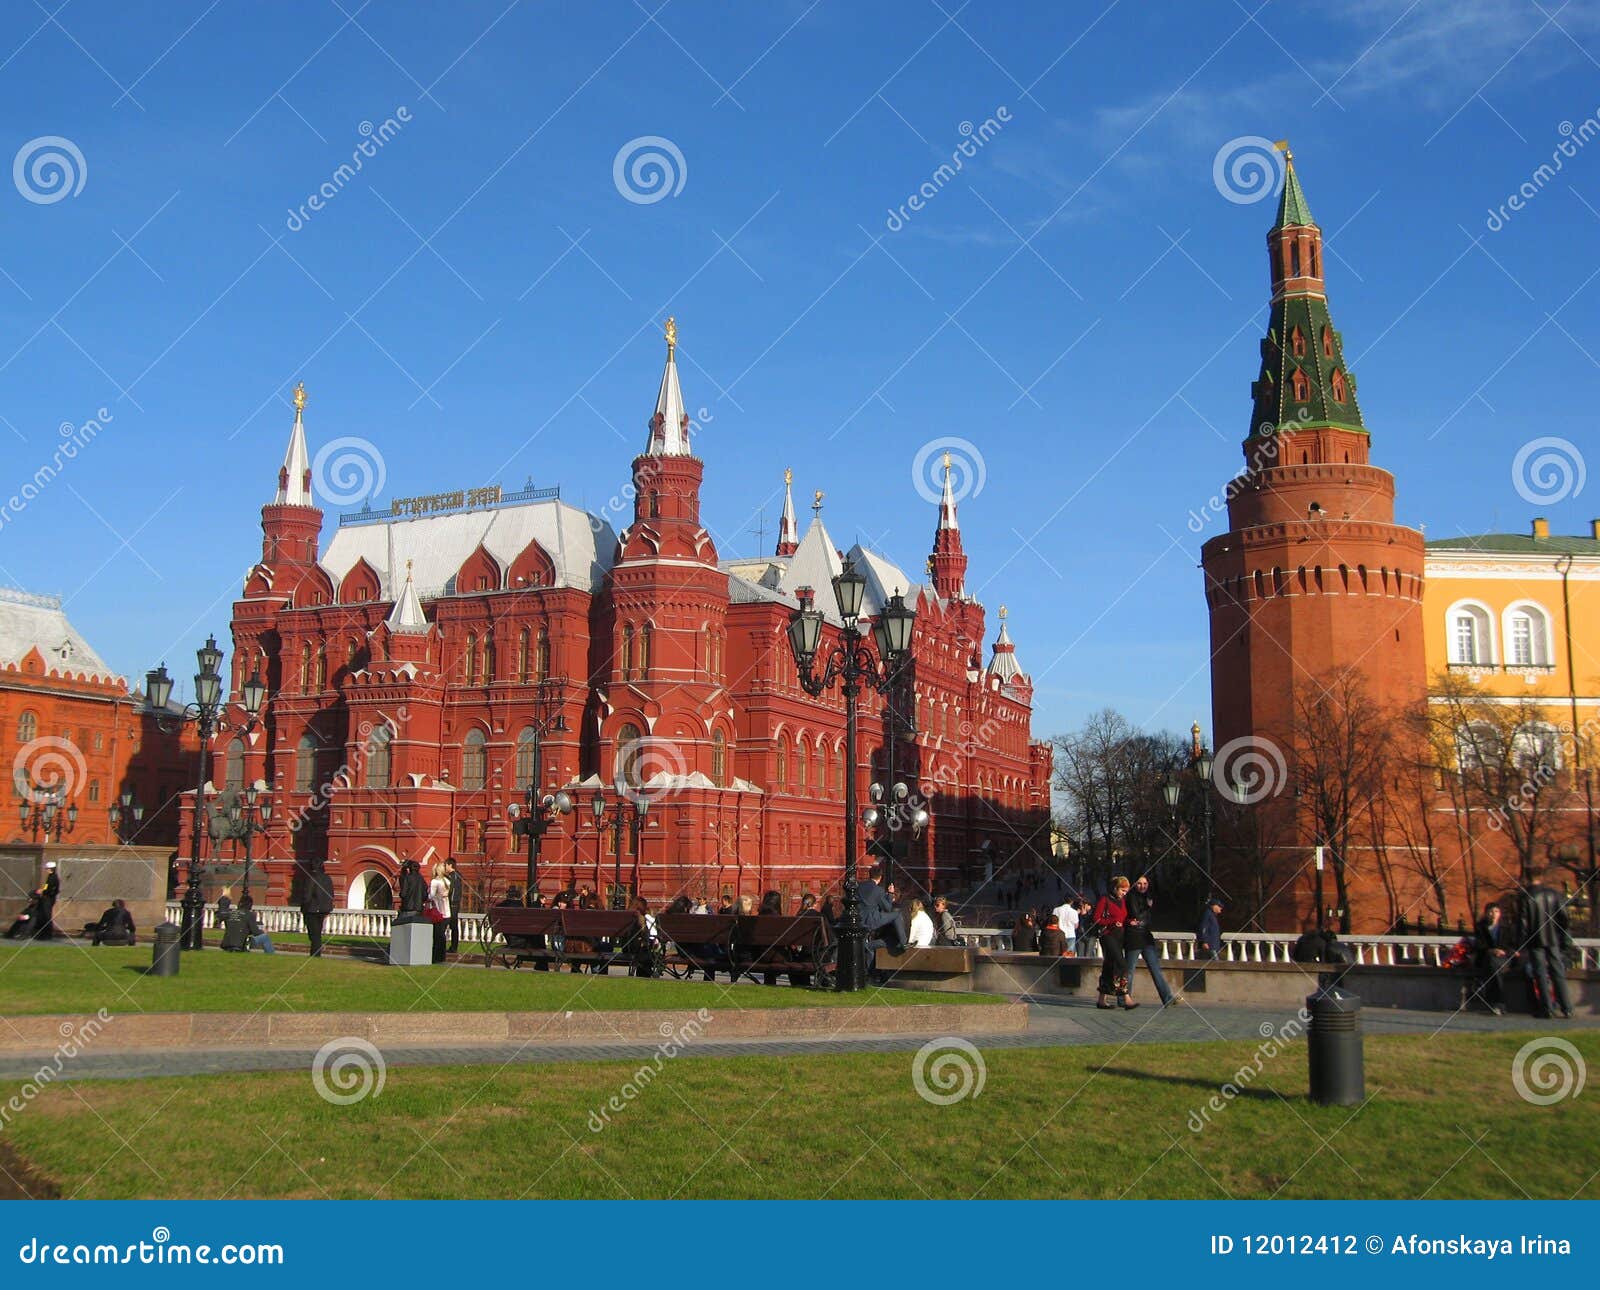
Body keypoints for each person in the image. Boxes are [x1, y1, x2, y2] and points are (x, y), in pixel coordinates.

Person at [1518, 882, 1574, 1019]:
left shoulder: (1526, 897)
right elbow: (1564, 917)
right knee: (1558, 972)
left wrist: (1521, 943)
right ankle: (1567, 1008)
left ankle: (1547, 1008)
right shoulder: (1554, 894)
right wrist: (1560, 933)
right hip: (1553, 939)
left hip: (1535, 940)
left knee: (1540, 974)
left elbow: (1523, 922)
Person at [1123, 874, 1177, 1005]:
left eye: (1145, 884)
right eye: (1140, 883)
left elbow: (1149, 917)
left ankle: (1167, 997)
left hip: (1146, 936)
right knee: (1129, 970)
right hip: (1134, 937)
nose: (1142, 886)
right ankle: (1124, 998)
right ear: (1135, 884)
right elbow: (1136, 914)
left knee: (1155, 968)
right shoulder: (1131, 896)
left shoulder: (1148, 896)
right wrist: (1147, 907)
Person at [1092, 877, 1133, 1009]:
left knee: (1108, 966)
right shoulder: (1105, 899)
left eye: (1126, 891)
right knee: (1122, 964)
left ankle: (1101, 1000)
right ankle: (1126, 997)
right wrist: (1111, 922)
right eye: (1122, 890)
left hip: (1119, 935)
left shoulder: (1123, 901)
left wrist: (1129, 922)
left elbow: (1123, 918)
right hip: (1108, 935)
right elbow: (1096, 919)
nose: (1124, 893)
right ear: (1115, 888)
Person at [1471, 901, 1512, 1015]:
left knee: (1495, 968)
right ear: (1486, 913)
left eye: (1496, 911)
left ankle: (1497, 1003)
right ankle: (1499, 1004)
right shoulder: (1480, 927)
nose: (1493, 914)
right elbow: (1479, 945)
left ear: (1500, 914)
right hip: (1487, 958)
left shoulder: (1506, 927)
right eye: (1491, 912)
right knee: (1494, 966)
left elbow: (1512, 945)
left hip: (1504, 958)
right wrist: (1491, 950)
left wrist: (1503, 951)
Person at [856, 864, 906, 952]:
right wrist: (890, 894)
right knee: (897, 915)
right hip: (871, 920)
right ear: (880, 877)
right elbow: (888, 908)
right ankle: (904, 942)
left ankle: (868, 951)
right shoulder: (878, 890)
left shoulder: (859, 886)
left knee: (869, 951)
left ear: (869, 875)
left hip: (858, 920)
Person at [300, 858, 335, 957]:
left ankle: (315, 954)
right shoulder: (327, 878)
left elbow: (307, 895)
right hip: (323, 909)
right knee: (317, 932)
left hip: (312, 909)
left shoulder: (311, 878)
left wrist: (304, 907)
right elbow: (331, 894)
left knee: (314, 934)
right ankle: (316, 953)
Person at [427, 862, 451, 964]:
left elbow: (431, 896)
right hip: (447, 912)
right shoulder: (446, 881)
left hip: (438, 912)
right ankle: (442, 956)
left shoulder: (434, 882)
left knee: (437, 936)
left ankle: (436, 957)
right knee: (442, 936)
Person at [445, 859, 463, 954]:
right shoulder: (457, 875)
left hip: (452, 903)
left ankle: (453, 946)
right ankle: (453, 946)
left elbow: (451, 889)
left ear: (450, 865)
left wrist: (448, 899)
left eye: (446, 865)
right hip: (455, 902)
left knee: (451, 925)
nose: (445, 867)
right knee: (453, 925)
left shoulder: (453, 876)